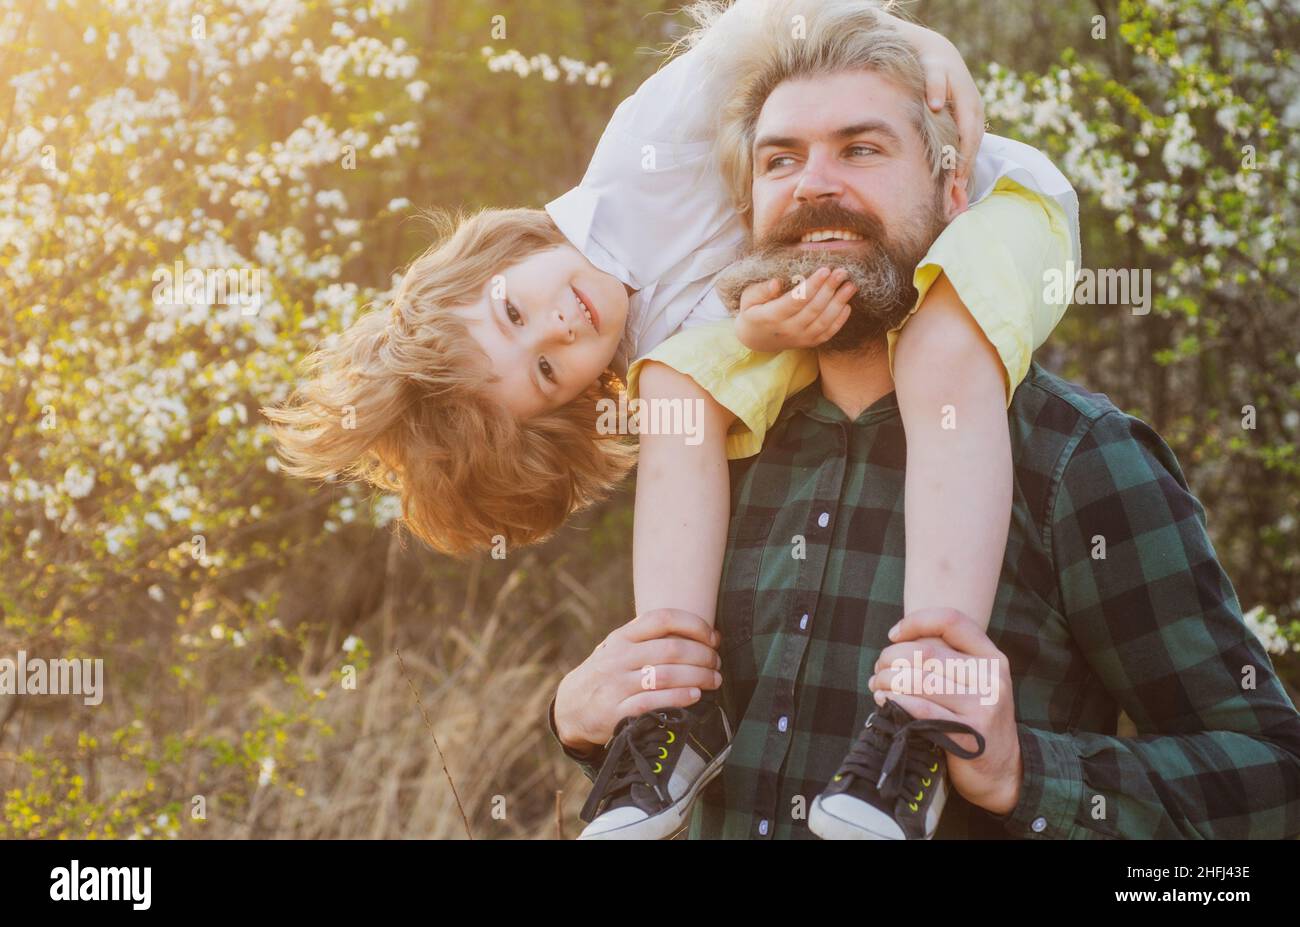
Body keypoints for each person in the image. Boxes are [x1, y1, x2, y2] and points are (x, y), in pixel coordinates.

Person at [264, 0, 1078, 839]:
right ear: (575, 401)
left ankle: (931, 701)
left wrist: (915, 42)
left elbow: (789, 28)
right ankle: (676, 707)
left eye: (513, 312)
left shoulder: (635, 150)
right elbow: (753, 322)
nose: (560, 327)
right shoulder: (653, 352)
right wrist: (757, 331)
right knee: (676, 389)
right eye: (547, 370)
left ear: (493, 259)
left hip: (994, 208)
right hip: (864, 280)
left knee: (939, 349)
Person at [549, 1, 1300, 840]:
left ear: (953, 188)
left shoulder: (1075, 459)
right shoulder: (713, 456)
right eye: (781, 160)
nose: (815, 182)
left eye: (862, 149)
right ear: (749, 212)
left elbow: (1271, 776)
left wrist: (1024, 773)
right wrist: (581, 720)